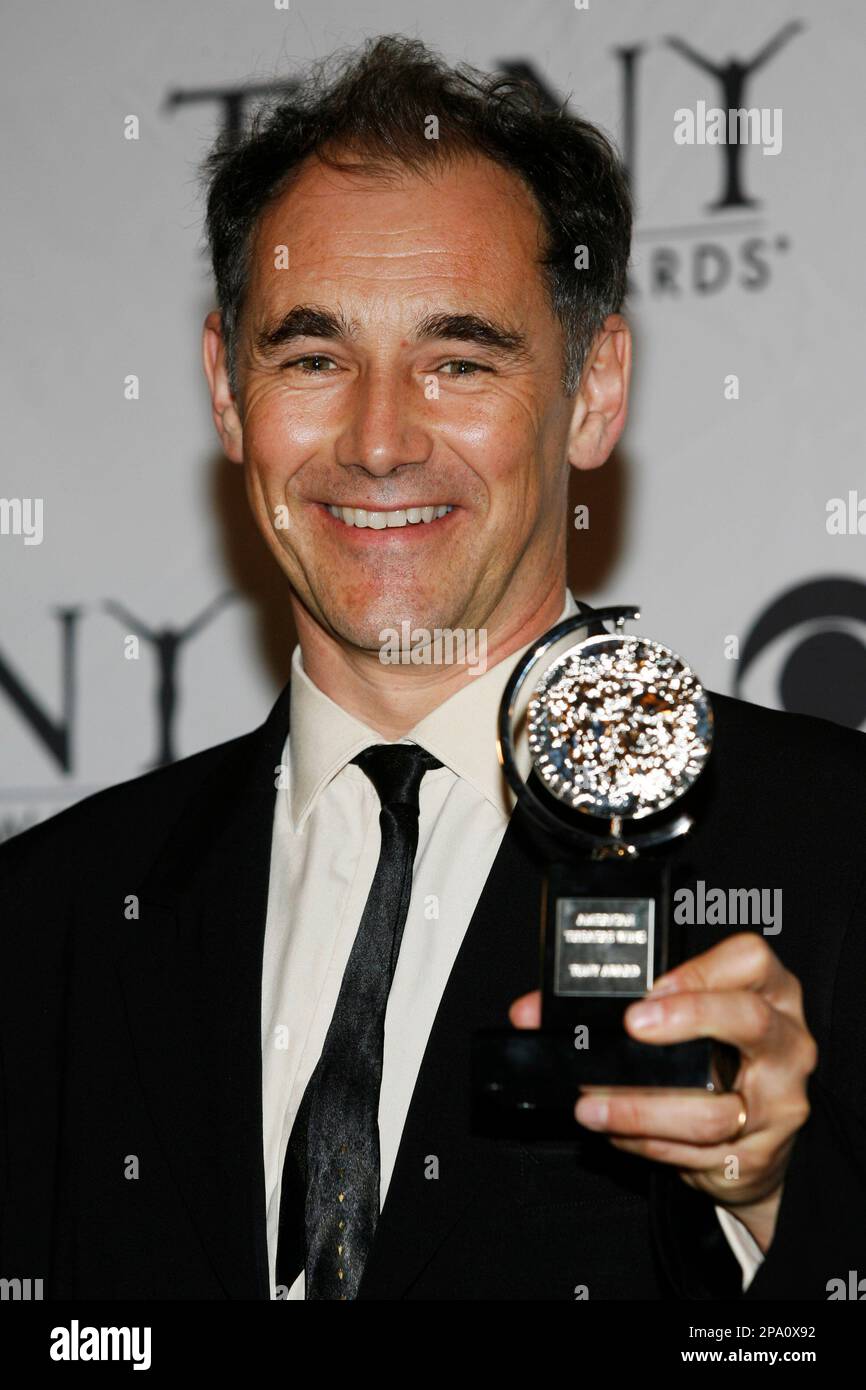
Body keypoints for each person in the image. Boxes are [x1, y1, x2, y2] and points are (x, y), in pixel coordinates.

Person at [1, 34, 864, 1302]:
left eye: (459, 360)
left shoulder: (832, 844)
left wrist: (773, 1193)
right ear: (225, 391)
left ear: (592, 390)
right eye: (311, 358)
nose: (379, 438)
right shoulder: (46, 919)